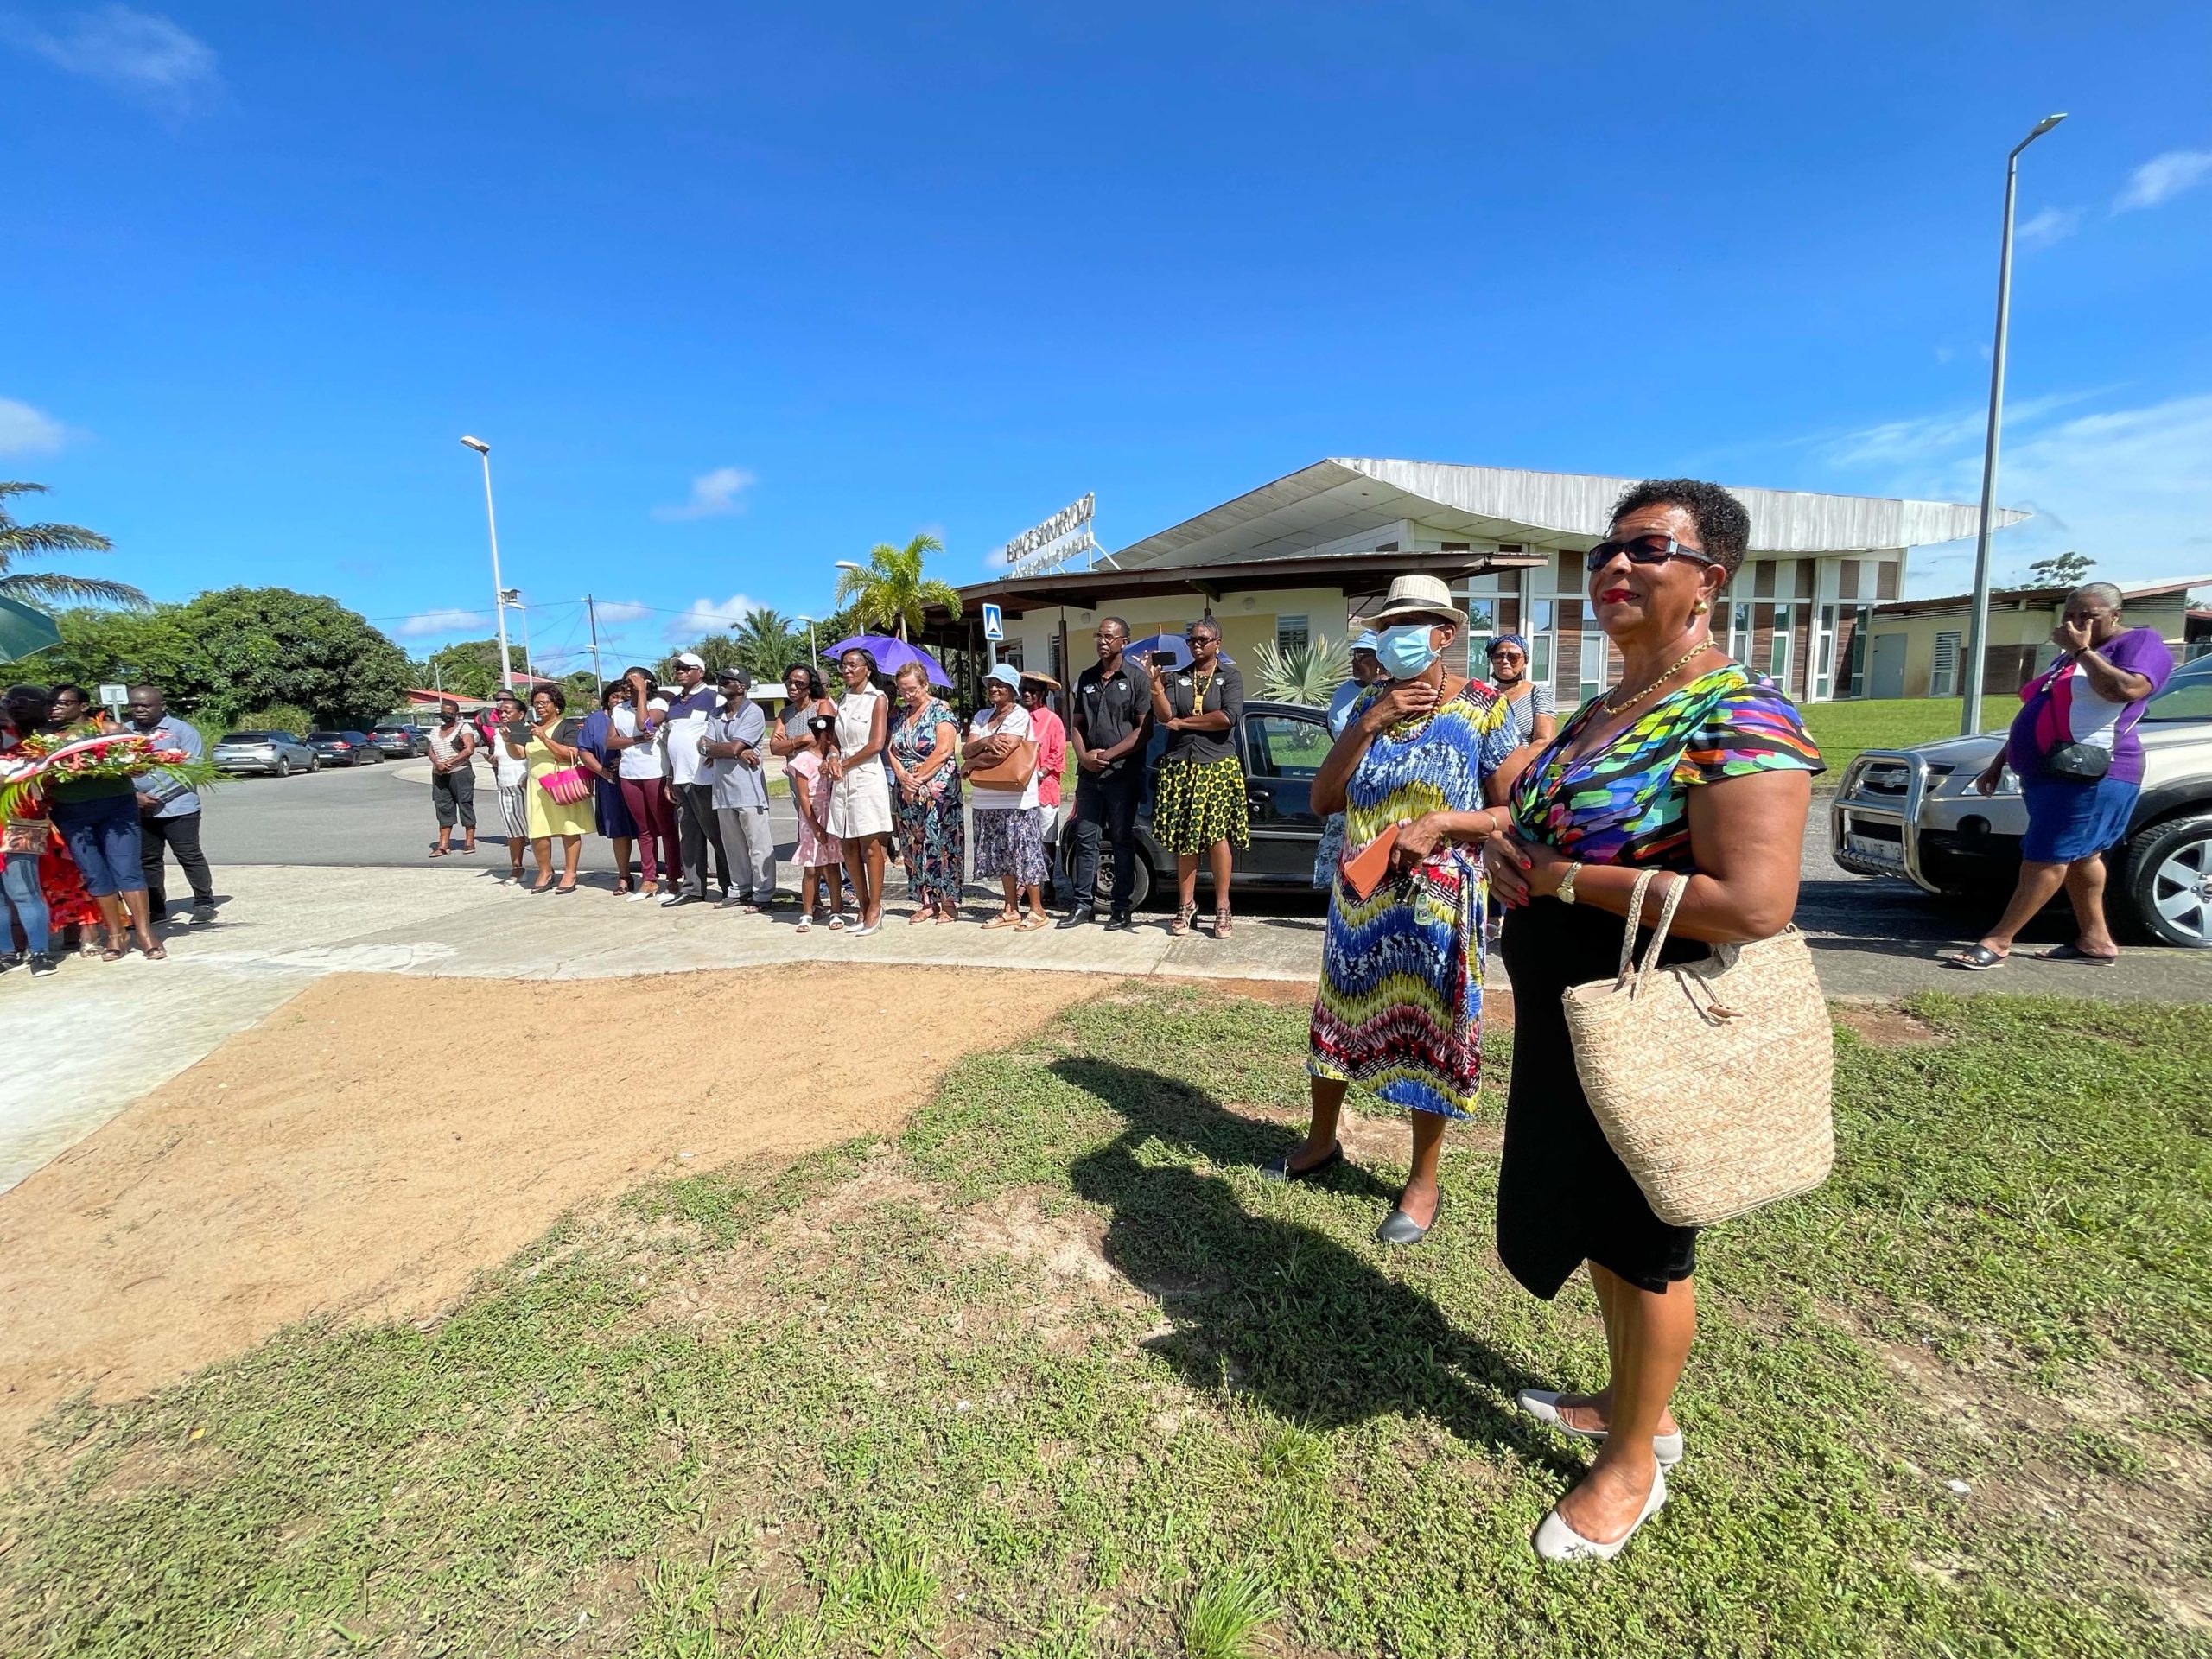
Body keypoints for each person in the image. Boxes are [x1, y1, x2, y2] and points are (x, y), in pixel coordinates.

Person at [1484, 480, 1822, 1561]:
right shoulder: (1602, 709)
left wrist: (1561, 881)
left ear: (1709, 578)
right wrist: (1504, 856)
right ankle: (1636, 1405)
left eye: (1647, 549)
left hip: (1648, 1019)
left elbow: (1755, 903)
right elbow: (1545, 830)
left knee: (1647, 1243)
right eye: (1605, 551)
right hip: (1570, 1019)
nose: (1615, 567)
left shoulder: (1737, 710)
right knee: (1596, 1220)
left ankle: (1632, 1464)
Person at [1274, 578, 1508, 1247]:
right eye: (1388, 623)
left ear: (1445, 633)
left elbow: (1512, 809)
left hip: (1437, 906)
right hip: (1361, 901)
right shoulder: (1366, 706)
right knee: (1338, 1017)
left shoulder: (1484, 708)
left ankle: (1423, 1181)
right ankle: (1322, 1141)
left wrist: (1442, 822)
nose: (1395, 634)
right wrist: (1372, 720)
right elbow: (1323, 799)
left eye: (1411, 622)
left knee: (1430, 1032)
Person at [1946, 582, 2175, 970]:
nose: (2076, 623)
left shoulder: (2139, 643)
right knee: (2082, 857)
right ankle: (2095, 941)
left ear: (2115, 616)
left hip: (2093, 773)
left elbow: (2127, 689)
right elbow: (2044, 710)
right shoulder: (2069, 657)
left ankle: (1999, 940)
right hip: (2051, 771)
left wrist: (2083, 651)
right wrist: (2000, 761)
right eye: (2070, 615)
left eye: (2088, 616)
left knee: (2046, 855)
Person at [1143, 619, 1247, 937]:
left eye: (1203, 639)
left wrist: (1184, 723)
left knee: (1217, 838)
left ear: (1218, 643)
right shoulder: (1178, 676)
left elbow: (1227, 717)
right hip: (1181, 766)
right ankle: (1186, 905)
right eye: (1192, 640)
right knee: (1186, 839)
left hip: (1216, 766)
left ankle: (1223, 907)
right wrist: (1156, 684)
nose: (1196, 644)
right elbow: (1165, 716)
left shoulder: (1231, 676)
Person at [43, 684, 162, 959]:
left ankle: (145, 934)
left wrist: (124, 763)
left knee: (127, 870)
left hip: (117, 808)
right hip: (72, 812)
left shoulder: (111, 730)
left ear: (83, 706)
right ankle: (116, 935)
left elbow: (142, 765)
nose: (54, 708)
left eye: (62, 703)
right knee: (95, 874)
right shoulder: (46, 740)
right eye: (51, 703)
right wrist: (59, 770)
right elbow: (42, 781)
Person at [1065, 616, 1153, 929]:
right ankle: (1082, 905)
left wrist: (1108, 755)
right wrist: (1084, 756)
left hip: (1122, 774)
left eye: (1109, 637)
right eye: (1099, 636)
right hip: (1090, 774)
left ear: (1124, 642)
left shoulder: (1137, 678)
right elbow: (1077, 725)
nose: (1102, 641)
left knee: (1121, 839)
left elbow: (1144, 730)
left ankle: (1121, 908)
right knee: (1085, 838)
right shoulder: (1087, 677)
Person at [964, 662, 1048, 930]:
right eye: (991, 684)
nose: (994, 688)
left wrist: (972, 763)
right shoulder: (981, 716)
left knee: (1025, 852)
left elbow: (1004, 752)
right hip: (986, 798)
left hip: (1017, 798)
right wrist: (986, 742)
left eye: (1000, 684)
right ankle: (1010, 908)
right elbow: (967, 749)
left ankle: (1037, 910)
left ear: (1012, 689)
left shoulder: (1019, 715)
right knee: (1002, 855)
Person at [125, 683, 218, 925]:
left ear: (162, 706)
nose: (139, 710)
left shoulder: (182, 731)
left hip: (179, 808)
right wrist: (135, 797)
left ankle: (204, 902)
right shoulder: (124, 733)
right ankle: (156, 909)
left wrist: (156, 797)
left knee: (189, 855)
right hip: (139, 809)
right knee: (148, 860)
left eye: (146, 705)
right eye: (134, 705)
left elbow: (192, 770)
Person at [886, 660, 964, 923]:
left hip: (937, 790)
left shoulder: (940, 709)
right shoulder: (903, 714)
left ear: (925, 685)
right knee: (913, 844)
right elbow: (891, 749)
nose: (907, 695)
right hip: (907, 789)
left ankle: (949, 902)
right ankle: (927, 901)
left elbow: (944, 750)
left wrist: (916, 781)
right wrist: (902, 777)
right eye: (903, 690)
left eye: (912, 689)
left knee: (941, 843)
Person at [826, 646, 894, 935]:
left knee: (870, 845)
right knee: (848, 845)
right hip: (842, 778)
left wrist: (842, 763)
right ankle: (862, 904)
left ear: (868, 669)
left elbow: (876, 744)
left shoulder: (877, 698)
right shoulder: (843, 699)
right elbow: (835, 739)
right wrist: (833, 756)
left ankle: (876, 906)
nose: (847, 669)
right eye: (843, 665)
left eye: (853, 665)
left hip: (865, 775)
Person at [701, 666, 777, 909]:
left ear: (742, 687)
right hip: (723, 791)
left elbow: (731, 747)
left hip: (749, 790)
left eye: (727, 681)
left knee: (758, 845)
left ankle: (763, 894)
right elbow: (703, 745)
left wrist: (730, 750)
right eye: (720, 679)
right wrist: (735, 751)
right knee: (733, 846)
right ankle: (740, 889)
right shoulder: (716, 713)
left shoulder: (753, 712)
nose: (720, 683)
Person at [1313, 632, 1382, 890]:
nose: (1356, 661)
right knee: (1338, 854)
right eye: (1354, 654)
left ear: (1381, 659)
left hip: (1376, 787)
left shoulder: (1391, 692)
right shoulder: (1344, 691)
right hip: (1344, 781)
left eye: (1364, 656)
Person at [658, 652, 729, 907]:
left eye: (686, 668)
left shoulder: (715, 698)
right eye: (677, 668)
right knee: (689, 835)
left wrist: (716, 751)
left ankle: (730, 886)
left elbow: (725, 729)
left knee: (716, 834)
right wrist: (669, 777)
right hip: (680, 778)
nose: (680, 671)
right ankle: (693, 888)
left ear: (700, 671)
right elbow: (670, 741)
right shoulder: (674, 703)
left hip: (705, 778)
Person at [510, 685, 592, 893]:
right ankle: (545, 872)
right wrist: (507, 739)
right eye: (536, 703)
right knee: (538, 831)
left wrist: (545, 738)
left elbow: (570, 754)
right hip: (537, 786)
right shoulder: (530, 727)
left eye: (544, 702)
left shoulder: (567, 726)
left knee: (568, 828)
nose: (539, 707)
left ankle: (570, 873)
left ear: (556, 705)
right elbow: (520, 754)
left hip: (562, 785)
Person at [1, 685, 59, 975]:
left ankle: (39, 953)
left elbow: (39, 787)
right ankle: (6, 953)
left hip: (17, 825)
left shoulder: (22, 751)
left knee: (24, 891)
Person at [609, 664, 677, 899]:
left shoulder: (658, 704)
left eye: (635, 682)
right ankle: (649, 879)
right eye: (627, 682)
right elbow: (611, 742)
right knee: (643, 829)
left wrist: (642, 694)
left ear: (647, 683)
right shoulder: (619, 709)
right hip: (629, 773)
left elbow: (644, 723)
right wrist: (638, 740)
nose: (629, 686)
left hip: (655, 771)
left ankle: (673, 878)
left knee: (666, 827)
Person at [574, 683, 639, 893]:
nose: (619, 701)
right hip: (609, 783)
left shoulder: (636, 715)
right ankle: (624, 876)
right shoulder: (594, 720)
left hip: (638, 779)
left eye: (623, 697)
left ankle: (651, 875)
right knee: (618, 830)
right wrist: (602, 771)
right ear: (607, 699)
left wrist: (626, 760)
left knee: (646, 829)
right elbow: (584, 750)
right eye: (614, 697)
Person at [788, 712, 845, 932]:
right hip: (812, 818)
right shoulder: (803, 759)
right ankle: (807, 911)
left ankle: (836, 909)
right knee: (811, 868)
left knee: (832, 865)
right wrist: (815, 827)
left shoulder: (832, 760)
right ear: (825, 735)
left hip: (831, 816)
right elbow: (803, 796)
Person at [1020, 677, 1070, 911]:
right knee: (1024, 838)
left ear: (1043, 694)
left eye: (1033, 691)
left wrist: (1041, 772)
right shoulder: (1018, 719)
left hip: (1044, 786)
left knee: (1046, 838)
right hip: (1022, 787)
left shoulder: (1052, 720)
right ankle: (1027, 885)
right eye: (1024, 690)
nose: (1027, 695)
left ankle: (1048, 884)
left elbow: (1058, 754)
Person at [1480, 633, 1558, 773]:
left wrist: (1511, 771)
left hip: (1523, 773)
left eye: (1513, 657)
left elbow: (1545, 740)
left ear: (1525, 662)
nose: (1505, 661)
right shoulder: (1484, 696)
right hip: (1486, 775)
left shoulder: (1539, 693)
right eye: (1498, 656)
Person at [480, 688, 532, 882]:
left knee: (533, 830)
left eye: (508, 711)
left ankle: (546, 869)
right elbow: (503, 757)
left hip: (524, 785)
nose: (503, 715)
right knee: (512, 830)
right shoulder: (497, 733)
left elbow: (528, 756)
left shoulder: (526, 730)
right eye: (501, 712)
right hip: (505, 786)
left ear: (521, 714)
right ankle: (517, 867)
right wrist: (493, 759)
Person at [424, 698, 480, 859]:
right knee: (443, 807)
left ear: (456, 714)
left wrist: (449, 762)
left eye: (449, 713)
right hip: (439, 774)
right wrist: (437, 763)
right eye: (443, 712)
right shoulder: (435, 730)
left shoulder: (463, 728)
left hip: (460, 772)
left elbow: (469, 749)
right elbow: (431, 751)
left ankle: (469, 842)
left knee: (465, 804)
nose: (446, 715)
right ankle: (443, 845)